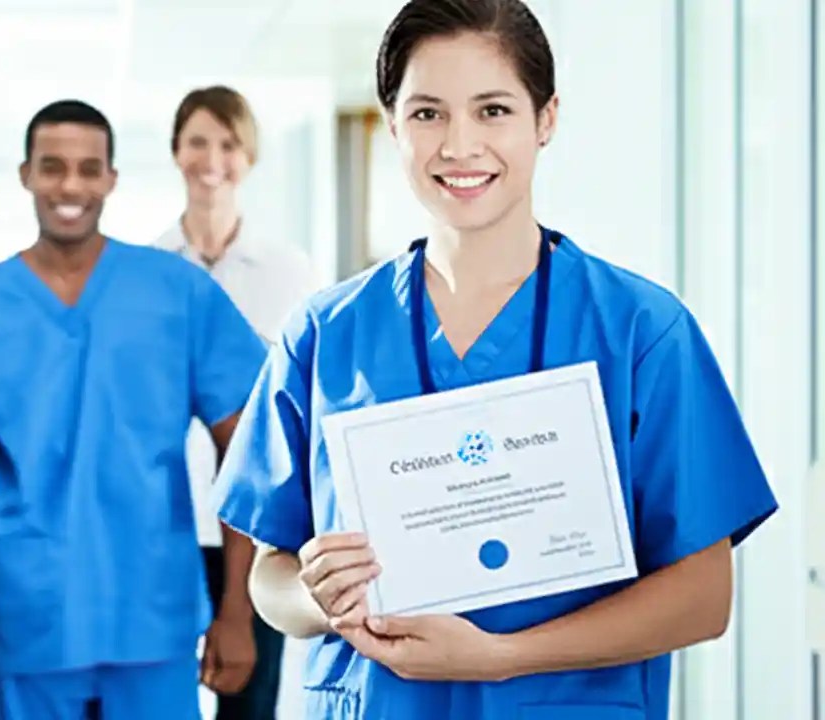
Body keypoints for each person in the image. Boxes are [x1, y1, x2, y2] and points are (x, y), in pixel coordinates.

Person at [212, 1, 779, 719]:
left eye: (492, 110)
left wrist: (501, 657)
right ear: (393, 126)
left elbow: (703, 597)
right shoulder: (324, 334)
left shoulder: (642, 330)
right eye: (427, 114)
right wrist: (317, 597)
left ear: (546, 119)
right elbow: (271, 576)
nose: (459, 145)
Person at [0, 99, 268, 720]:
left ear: (111, 179)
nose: (70, 186)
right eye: (52, 167)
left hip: (151, 614)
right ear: (25, 175)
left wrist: (238, 607)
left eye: (87, 168)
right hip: (28, 615)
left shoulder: (176, 292)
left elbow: (241, 444)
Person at [153, 85, 315, 720]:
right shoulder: (147, 268)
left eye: (228, 144)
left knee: (249, 706)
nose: (212, 160)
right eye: (197, 141)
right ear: (175, 151)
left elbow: (299, 406)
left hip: (261, 526)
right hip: (166, 528)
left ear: (249, 157)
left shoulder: (288, 271)